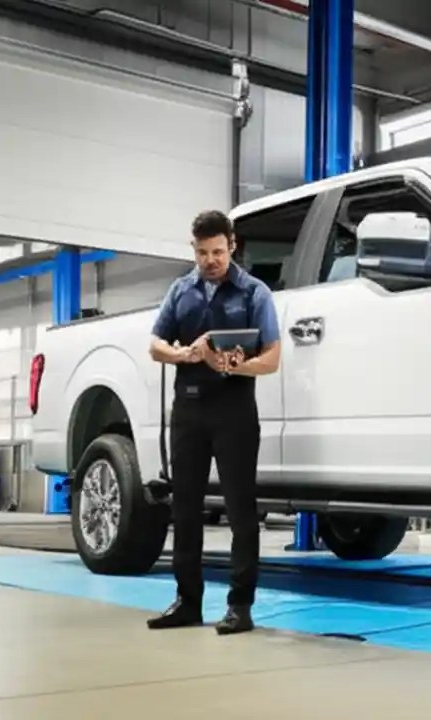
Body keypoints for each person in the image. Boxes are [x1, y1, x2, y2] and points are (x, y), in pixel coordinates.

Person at [144, 209, 281, 635]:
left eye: (218, 252)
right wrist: (185, 354)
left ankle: (240, 606)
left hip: (235, 409)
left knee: (241, 509)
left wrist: (233, 365)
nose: (211, 260)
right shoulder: (180, 291)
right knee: (184, 508)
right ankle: (188, 602)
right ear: (193, 249)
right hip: (188, 410)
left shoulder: (255, 293)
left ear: (232, 246)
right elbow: (154, 345)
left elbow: (272, 358)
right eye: (203, 252)